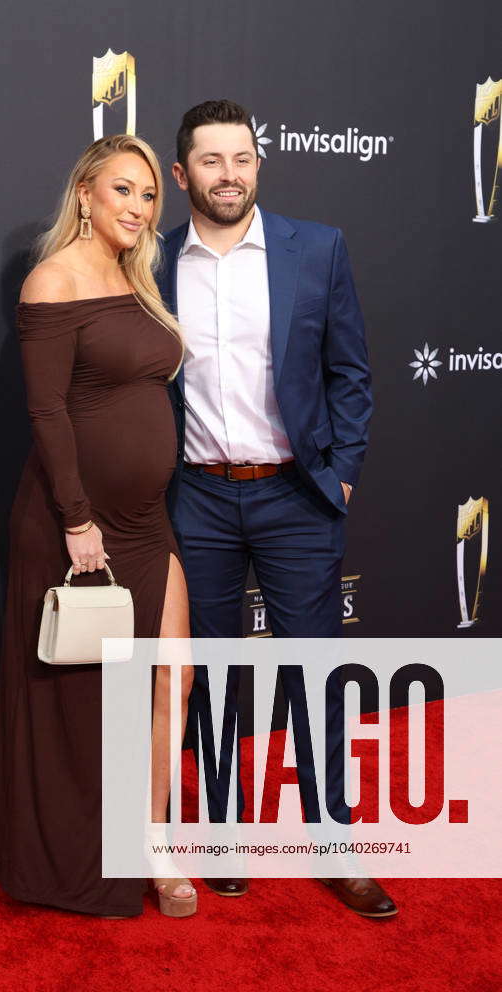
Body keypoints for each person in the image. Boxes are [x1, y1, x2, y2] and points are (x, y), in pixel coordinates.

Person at [158, 100, 397, 918]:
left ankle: (336, 841)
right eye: (213, 161)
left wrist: (345, 474)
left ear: (260, 165)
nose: (232, 174)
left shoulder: (316, 249)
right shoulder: (151, 263)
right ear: (182, 174)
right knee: (214, 681)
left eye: (245, 158)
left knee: (315, 675)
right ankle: (225, 833)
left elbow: (352, 373)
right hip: (196, 498)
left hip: (298, 494)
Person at [0, 134, 196, 918]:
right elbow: (46, 409)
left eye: (147, 197)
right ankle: (68, 855)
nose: (137, 208)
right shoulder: (53, 279)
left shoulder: (137, 281)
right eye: (122, 191)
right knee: (83, 701)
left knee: (172, 677)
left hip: (147, 520)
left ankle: (157, 847)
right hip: (81, 525)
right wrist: (76, 519)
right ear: (85, 195)